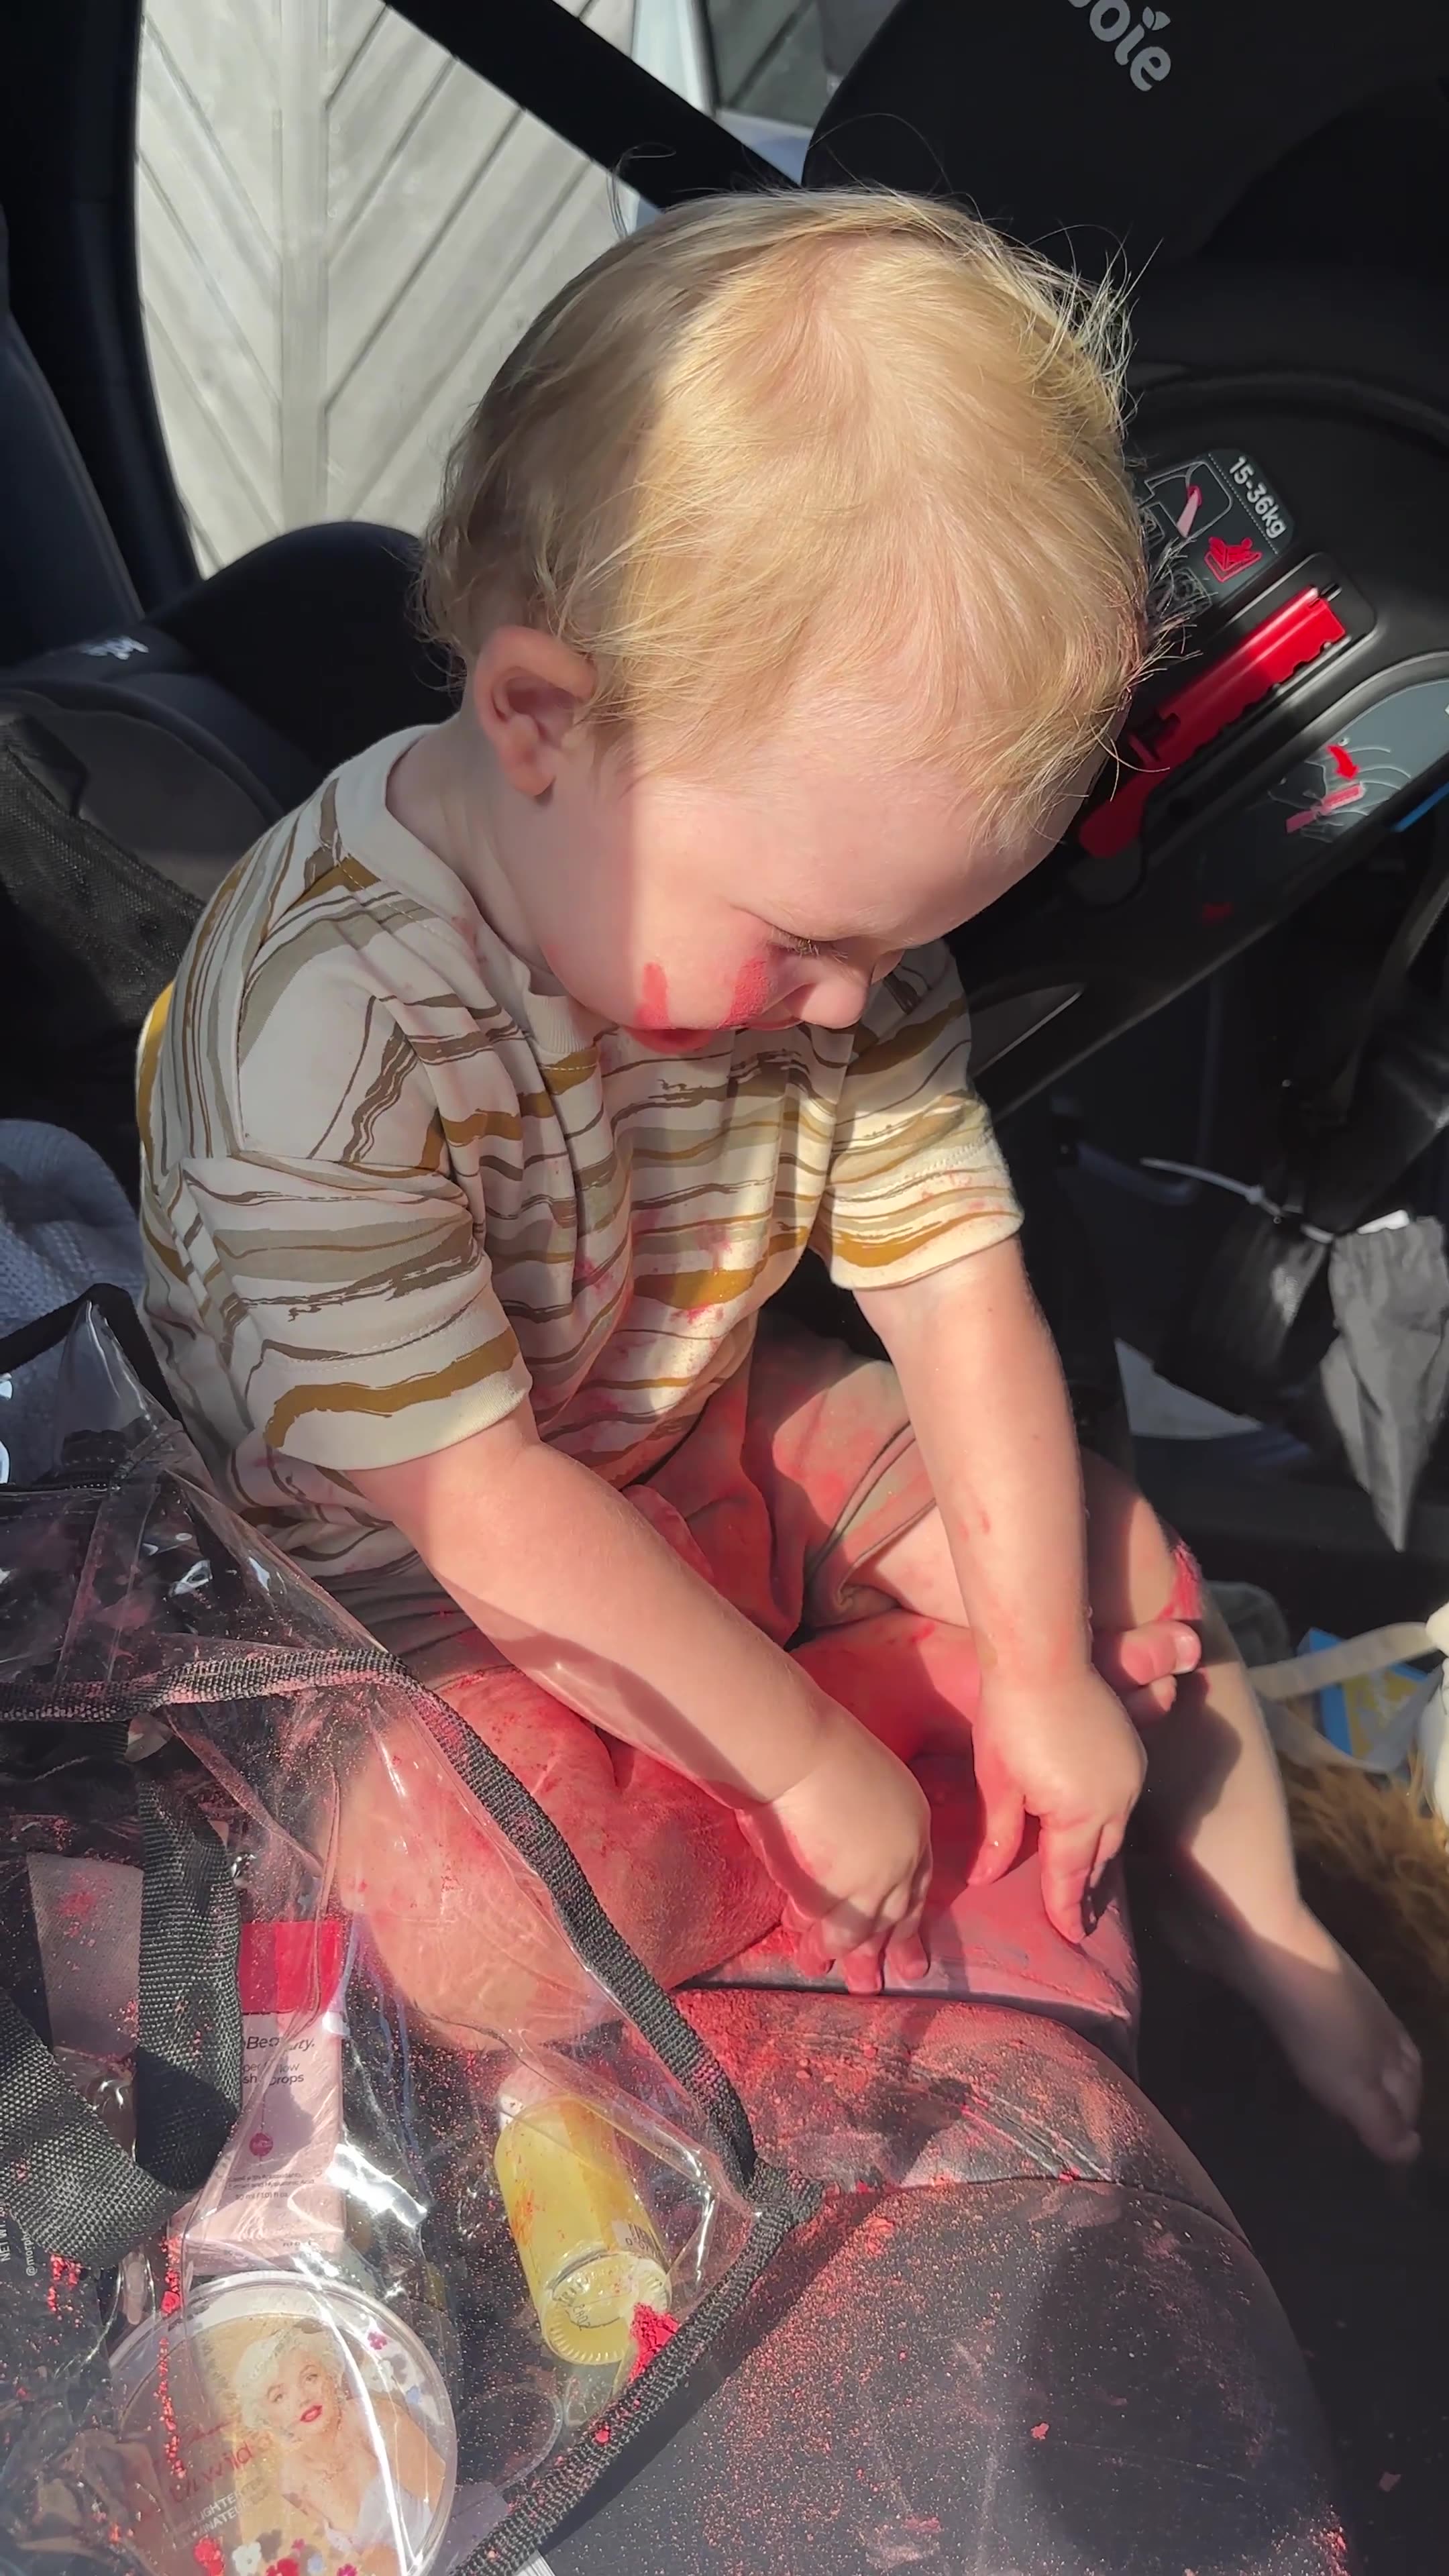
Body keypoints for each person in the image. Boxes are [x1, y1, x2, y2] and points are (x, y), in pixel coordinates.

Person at [138, 189, 1420, 2163]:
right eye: (806, 942)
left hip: (696, 1428)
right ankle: (900, 1730)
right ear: (542, 720)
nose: (846, 1008)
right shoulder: (326, 1029)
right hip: (416, 1599)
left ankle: (1263, 1922)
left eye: (899, 947)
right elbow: (491, 1518)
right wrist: (809, 1751)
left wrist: (1051, 1660)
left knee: (1110, 1565)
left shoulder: (822, 932)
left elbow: (955, 1293)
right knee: (463, 1917)